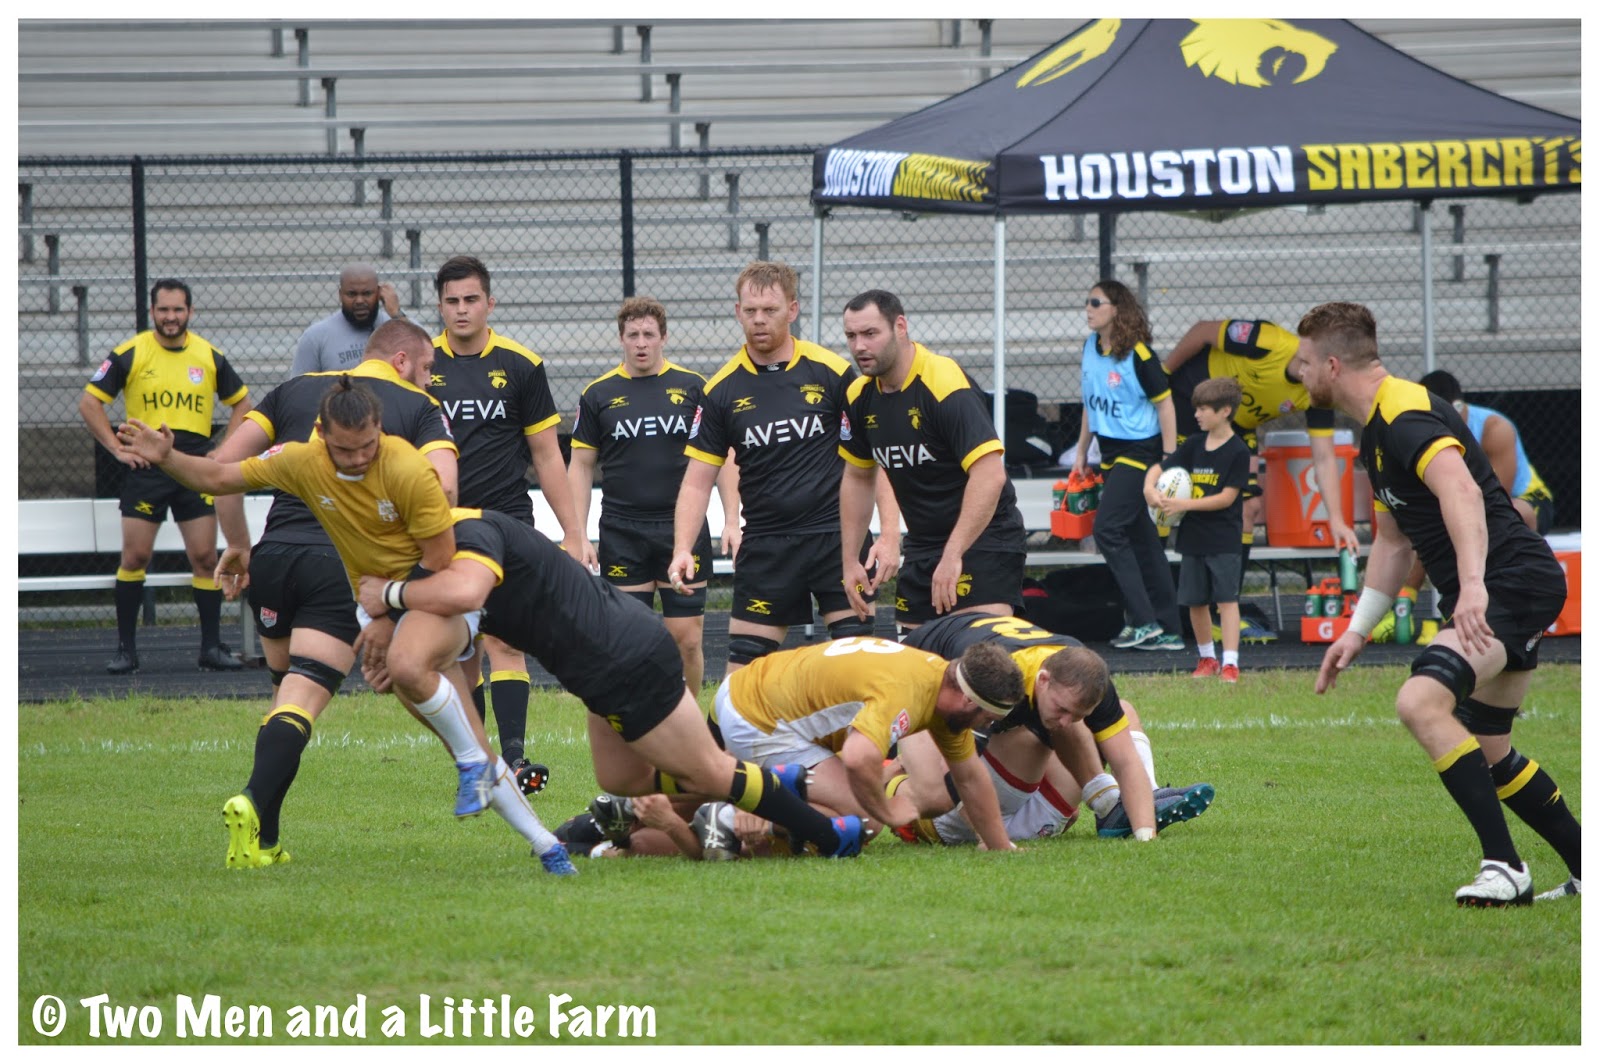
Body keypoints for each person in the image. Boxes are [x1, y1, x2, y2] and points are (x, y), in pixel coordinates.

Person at [117, 378, 578, 875]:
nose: (358, 458)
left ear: (380, 429)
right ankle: (545, 843)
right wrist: (166, 457)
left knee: (409, 667)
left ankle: (476, 765)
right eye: (345, 449)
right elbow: (217, 477)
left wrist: (386, 614)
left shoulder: (407, 470)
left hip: (438, 587)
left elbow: (440, 562)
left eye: (367, 446)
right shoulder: (302, 460)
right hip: (384, 600)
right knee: (457, 730)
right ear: (321, 434)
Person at [352, 506, 870, 860]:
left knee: (711, 774)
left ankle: (828, 835)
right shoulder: (447, 563)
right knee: (621, 779)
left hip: (623, 658)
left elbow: (461, 595)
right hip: (603, 664)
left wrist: (390, 599)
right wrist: (395, 645)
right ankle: (786, 784)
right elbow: (438, 651)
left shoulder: (472, 543)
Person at [1293, 301, 1582, 906]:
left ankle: (1504, 867)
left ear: (1333, 364)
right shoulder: (1376, 428)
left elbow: (1462, 492)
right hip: (1511, 581)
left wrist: (1473, 585)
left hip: (1508, 580)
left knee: (1420, 702)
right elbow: (1394, 543)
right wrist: (1356, 631)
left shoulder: (1404, 410)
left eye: (1302, 363)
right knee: (1493, 748)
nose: (1297, 375)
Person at [207, 319, 457, 868]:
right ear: (401, 361)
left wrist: (240, 545)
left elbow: (222, 467)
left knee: (284, 698)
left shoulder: (293, 389)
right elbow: (444, 486)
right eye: (429, 368)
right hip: (335, 562)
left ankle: (264, 840)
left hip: (273, 557)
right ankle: (250, 798)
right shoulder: (414, 408)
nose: (431, 379)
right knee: (304, 698)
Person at [667, 261, 899, 672]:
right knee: (742, 679)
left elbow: (873, 462)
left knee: (860, 671)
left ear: (792, 310)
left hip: (838, 540)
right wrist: (683, 547)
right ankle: (719, 741)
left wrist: (889, 535)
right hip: (768, 545)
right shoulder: (720, 390)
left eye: (770, 310)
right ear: (737, 311)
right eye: (750, 310)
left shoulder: (831, 372)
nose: (759, 320)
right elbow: (696, 483)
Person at [430, 254, 588, 794]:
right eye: (451, 301)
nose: (461, 309)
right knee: (459, 650)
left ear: (490, 302)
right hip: (440, 526)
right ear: (440, 305)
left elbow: (547, 455)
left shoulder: (522, 364)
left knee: (506, 641)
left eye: (471, 299)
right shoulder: (422, 366)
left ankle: (515, 761)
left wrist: (572, 532)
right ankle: (476, 761)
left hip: (507, 522)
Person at [902, 611, 1214, 840]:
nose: (1067, 722)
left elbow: (1126, 761)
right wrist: (994, 841)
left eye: (1077, 713)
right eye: (1062, 708)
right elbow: (959, 778)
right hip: (952, 814)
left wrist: (1147, 838)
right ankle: (892, 785)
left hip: (1021, 807)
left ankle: (1118, 805)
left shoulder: (1084, 675)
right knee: (941, 788)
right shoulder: (997, 679)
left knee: (1122, 712)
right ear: (1043, 680)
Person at [78, 278, 253, 675]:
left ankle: (211, 648)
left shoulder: (209, 355)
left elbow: (243, 404)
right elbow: (89, 403)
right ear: (152, 312)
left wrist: (221, 451)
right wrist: (116, 447)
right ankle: (126, 650)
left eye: (178, 310)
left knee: (206, 557)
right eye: (164, 310)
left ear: (190, 312)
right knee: (135, 556)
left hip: (193, 467)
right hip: (147, 468)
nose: (171, 317)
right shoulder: (130, 352)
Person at [710, 636, 1025, 851]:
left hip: (745, 686)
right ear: (969, 701)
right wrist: (887, 810)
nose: (990, 725)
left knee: (683, 792)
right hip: (757, 717)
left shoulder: (938, 679)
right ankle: (735, 815)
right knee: (866, 822)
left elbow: (970, 776)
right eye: (989, 717)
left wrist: (1000, 847)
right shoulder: (907, 691)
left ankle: (741, 796)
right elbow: (859, 757)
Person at [569, 297, 738, 693]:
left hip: (682, 530)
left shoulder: (694, 387)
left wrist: (732, 517)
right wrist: (577, 533)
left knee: (688, 639)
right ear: (621, 339)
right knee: (630, 641)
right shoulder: (598, 394)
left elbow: (723, 458)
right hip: (622, 531)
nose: (641, 343)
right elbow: (579, 466)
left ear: (664, 337)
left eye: (649, 334)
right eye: (633, 335)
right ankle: (645, 731)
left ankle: (688, 729)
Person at [837, 289, 1025, 632]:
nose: (859, 346)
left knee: (981, 661)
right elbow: (858, 477)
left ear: (900, 327)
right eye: (851, 336)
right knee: (919, 669)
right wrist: (850, 560)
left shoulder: (943, 381)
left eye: (870, 334)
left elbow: (990, 475)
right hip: (923, 544)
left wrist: (953, 555)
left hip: (984, 539)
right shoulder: (859, 395)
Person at [1163, 314, 1360, 642]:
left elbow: (1324, 457)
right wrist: (1163, 376)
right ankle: (1160, 613)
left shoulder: (1318, 392)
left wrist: (1337, 520)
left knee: (1248, 507)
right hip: (1192, 400)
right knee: (1175, 496)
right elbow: (1201, 331)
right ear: (1311, 355)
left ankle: (1223, 606)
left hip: (1236, 425)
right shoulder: (1267, 341)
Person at [1368, 369, 1559, 646]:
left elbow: (1495, 501)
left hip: (1525, 501)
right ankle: (1404, 606)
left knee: (1509, 513)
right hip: (1467, 499)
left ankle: (1510, 593)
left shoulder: (1495, 429)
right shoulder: (1422, 430)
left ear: (1455, 408)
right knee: (1426, 519)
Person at [1072, 279, 1182, 652]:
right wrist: (1081, 452)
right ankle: (1169, 627)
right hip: (1109, 453)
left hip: (1141, 451)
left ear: (1116, 309)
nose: (1087, 308)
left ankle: (1144, 620)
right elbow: (1091, 403)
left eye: (1095, 302)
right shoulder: (1090, 346)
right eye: (1087, 302)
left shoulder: (1140, 355)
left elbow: (1166, 405)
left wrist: (1167, 459)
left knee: (1108, 530)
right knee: (1143, 541)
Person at [1143, 377, 1252, 682]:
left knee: (1227, 600)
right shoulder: (1193, 444)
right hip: (1192, 538)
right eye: (1197, 408)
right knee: (1195, 601)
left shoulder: (1238, 451)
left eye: (1204, 409)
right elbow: (1160, 467)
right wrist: (1150, 488)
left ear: (1225, 411)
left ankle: (1230, 663)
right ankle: (1207, 659)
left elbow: (1227, 498)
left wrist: (1183, 506)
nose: (1197, 415)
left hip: (1223, 538)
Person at [289, 263, 404, 375]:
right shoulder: (316, 337)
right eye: (352, 294)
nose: (359, 300)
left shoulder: (398, 325)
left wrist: (396, 314)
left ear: (379, 293)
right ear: (340, 294)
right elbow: (298, 389)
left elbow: (419, 355)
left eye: (367, 293)